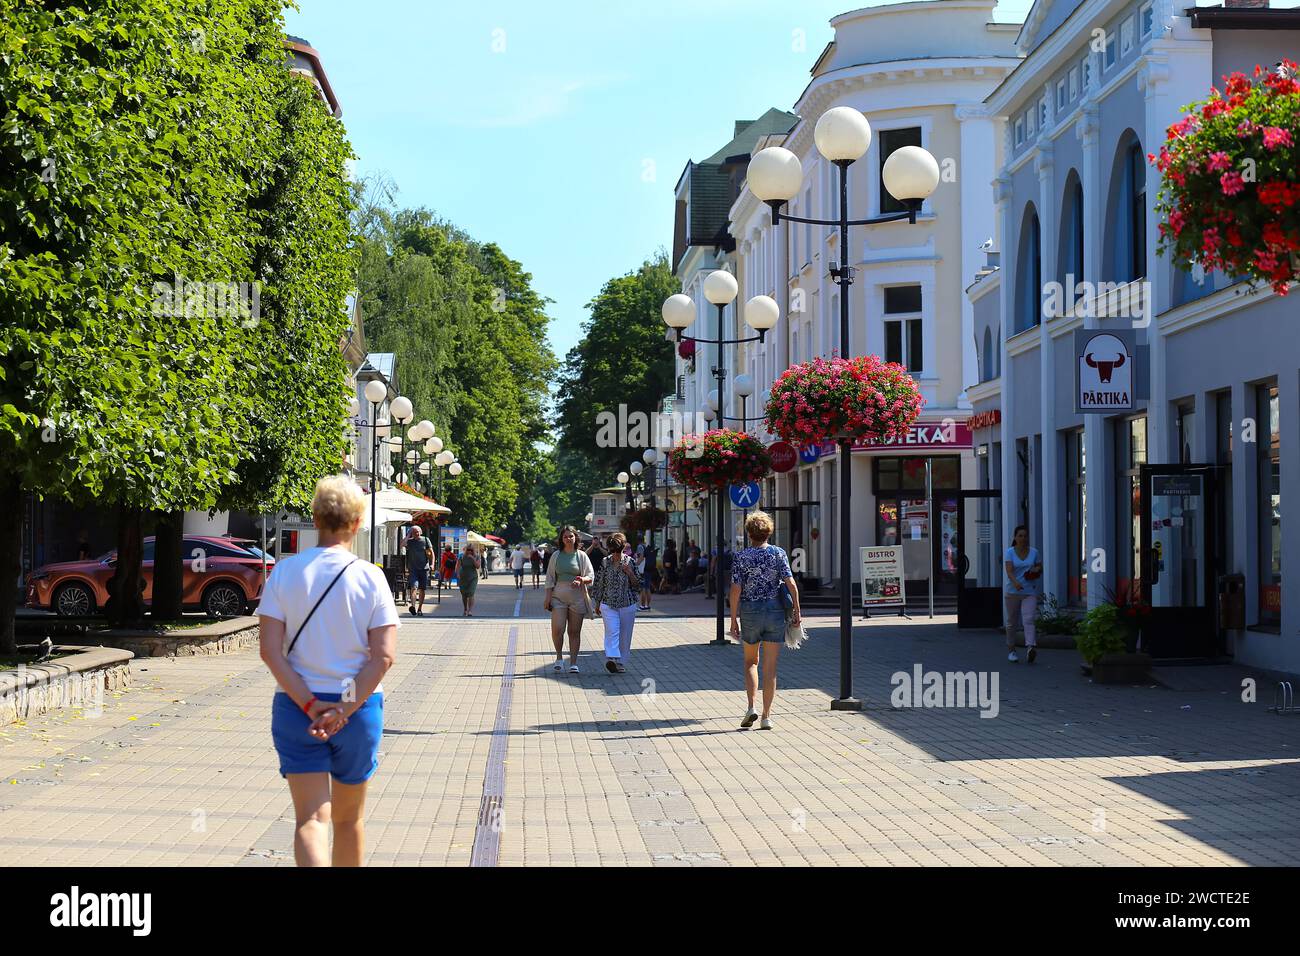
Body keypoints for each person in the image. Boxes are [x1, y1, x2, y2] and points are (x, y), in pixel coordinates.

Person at [257, 475, 399, 867]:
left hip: (296, 709)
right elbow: (383, 657)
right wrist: (343, 709)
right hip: (358, 712)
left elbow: (270, 651)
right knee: (349, 819)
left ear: (315, 519)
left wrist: (311, 705)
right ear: (357, 524)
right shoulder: (371, 578)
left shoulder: (285, 573)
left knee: (310, 819)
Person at [728, 510, 800, 732]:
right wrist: (797, 610)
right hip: (775, 611)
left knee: (751, 661)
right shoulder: (778, 553)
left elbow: (735, 590)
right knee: (771, 668)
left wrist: (733, 620)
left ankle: (751, 707)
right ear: (769, 532)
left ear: (749, 533)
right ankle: (767, 717)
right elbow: (790, 582)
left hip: (750, 610)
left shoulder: (741, 557)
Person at [543, 526, 595, 674]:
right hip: (558, 596)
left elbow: (591, 576)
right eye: (565, 537)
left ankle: (573, 663)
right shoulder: (556, 556)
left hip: (577, 598)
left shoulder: (581, 555)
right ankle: (559, 657)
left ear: (575, 538)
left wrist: (582, 580)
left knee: (574, 631)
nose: (568, 539)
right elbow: (549, 578)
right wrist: (547, 597)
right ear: (561, 539)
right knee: (557, 629)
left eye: (571, 536)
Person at [591, 532, 639, 673]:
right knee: (612, 631)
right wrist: (597, 602)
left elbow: (638, 585)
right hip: (608, 603)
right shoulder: (605, 562)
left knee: (625, 635)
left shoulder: (631, 562)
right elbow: (599, 583)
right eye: (613, 550)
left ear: (623, 548)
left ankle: (621, 662)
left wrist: (629, 573)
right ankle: (612, 658)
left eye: (618, 550)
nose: (616, 553)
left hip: (627, 603)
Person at [1003, 525, 1043, 663]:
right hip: (1013, 592)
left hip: (1029, 591)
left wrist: (1036, 569)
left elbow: (1040, 567)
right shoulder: (1010, 552)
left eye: (1025, 536)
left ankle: (1030, 647)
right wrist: (1015, 583)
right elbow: (1008, 571)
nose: (1023, 538)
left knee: (1029, 619)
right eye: (1020, 536)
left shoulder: (1034, 552)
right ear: (1015, 537)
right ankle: (1011, 650)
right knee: (1012, 622)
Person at [405, 526, 433, 617]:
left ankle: (420, 608)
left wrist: (432, 564)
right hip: (413, 569)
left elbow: (431, 552)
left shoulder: (425, 540)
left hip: (424, 568)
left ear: (420, 532)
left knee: (422, 589)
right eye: (414, 532)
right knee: (413, 587)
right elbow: (401, 544)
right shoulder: (410, 541)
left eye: (417, 532)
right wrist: (408, 535)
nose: (416, 533)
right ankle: (413, 606)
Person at [458, 545, 481, 616]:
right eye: (468, 550)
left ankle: (470, 610)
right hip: (463, 577)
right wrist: (457, 574)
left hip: (472, 578)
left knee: (471, 593)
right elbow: (458, 566)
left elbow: (477, 566)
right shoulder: (461, 556)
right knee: (464, 595)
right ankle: (465, 609)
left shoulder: (477, 556)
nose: (469, 552)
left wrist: (473, 559)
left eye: (471, 550)